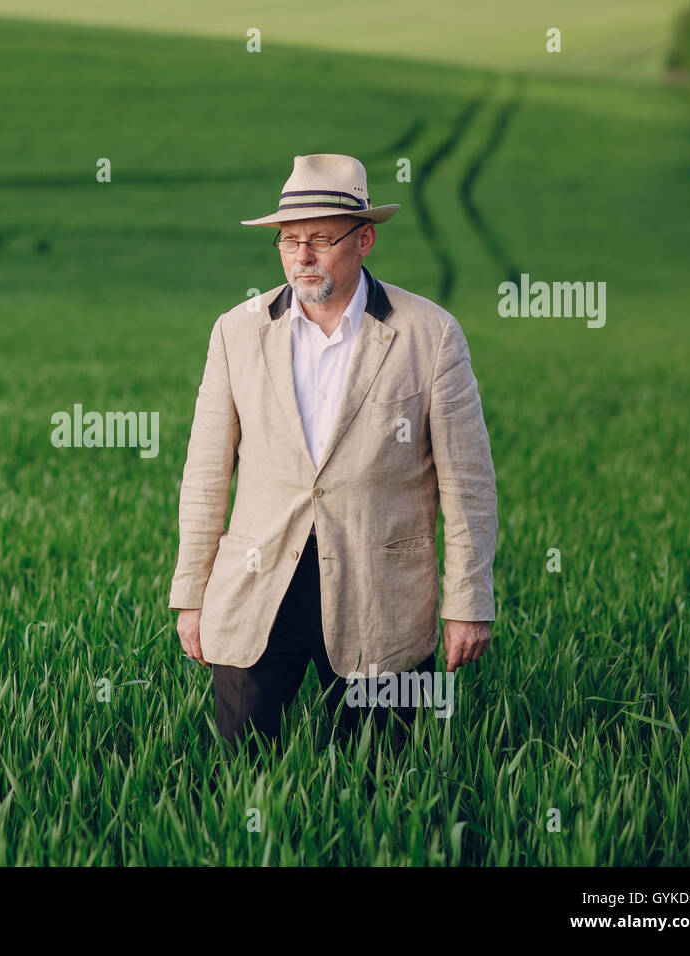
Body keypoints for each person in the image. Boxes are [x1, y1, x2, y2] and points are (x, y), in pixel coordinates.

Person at [169, 153, 498, 757]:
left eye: (321, 238)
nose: (303, 256)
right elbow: (205, 474)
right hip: (257, 589)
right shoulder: (235, 332)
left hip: (384, 593)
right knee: (241, 767)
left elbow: (468, 481)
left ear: (365, 239)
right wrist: (192, 593)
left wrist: (468, 603)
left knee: (380, 781)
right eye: (290, 240)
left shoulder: (432, 333)